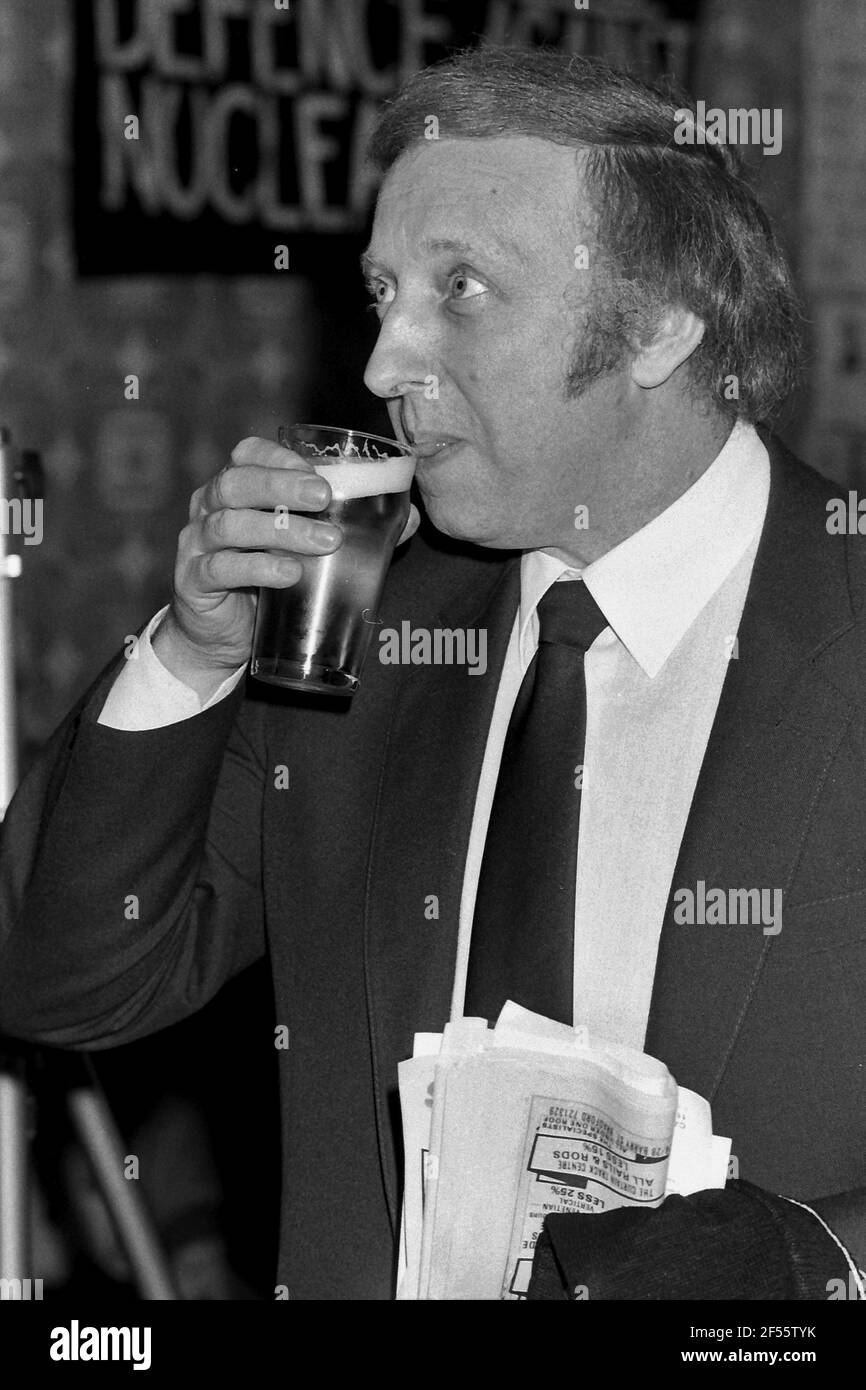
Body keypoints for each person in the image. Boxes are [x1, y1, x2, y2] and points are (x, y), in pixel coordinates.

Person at [1, 46, 864, 1301]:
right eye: (383, 293)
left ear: (662, 320)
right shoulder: (354, 630)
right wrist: (192, 651)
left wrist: (822, 1255)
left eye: (459, 289)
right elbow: (63, 980)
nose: (381, 365)